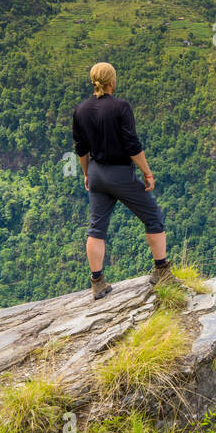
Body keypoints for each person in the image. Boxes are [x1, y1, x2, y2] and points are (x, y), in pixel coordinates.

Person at [71, 62, 169, 299]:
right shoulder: (121, 107)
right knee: (153, 217)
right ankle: (161, 272)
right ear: (112, 82)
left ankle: (97, 282)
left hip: (96, 173)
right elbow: (132, 145)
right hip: (120, 174)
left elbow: (81, 149)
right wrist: (147, 172)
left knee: (97, 228)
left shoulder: (80, 110)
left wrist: (86, 173)